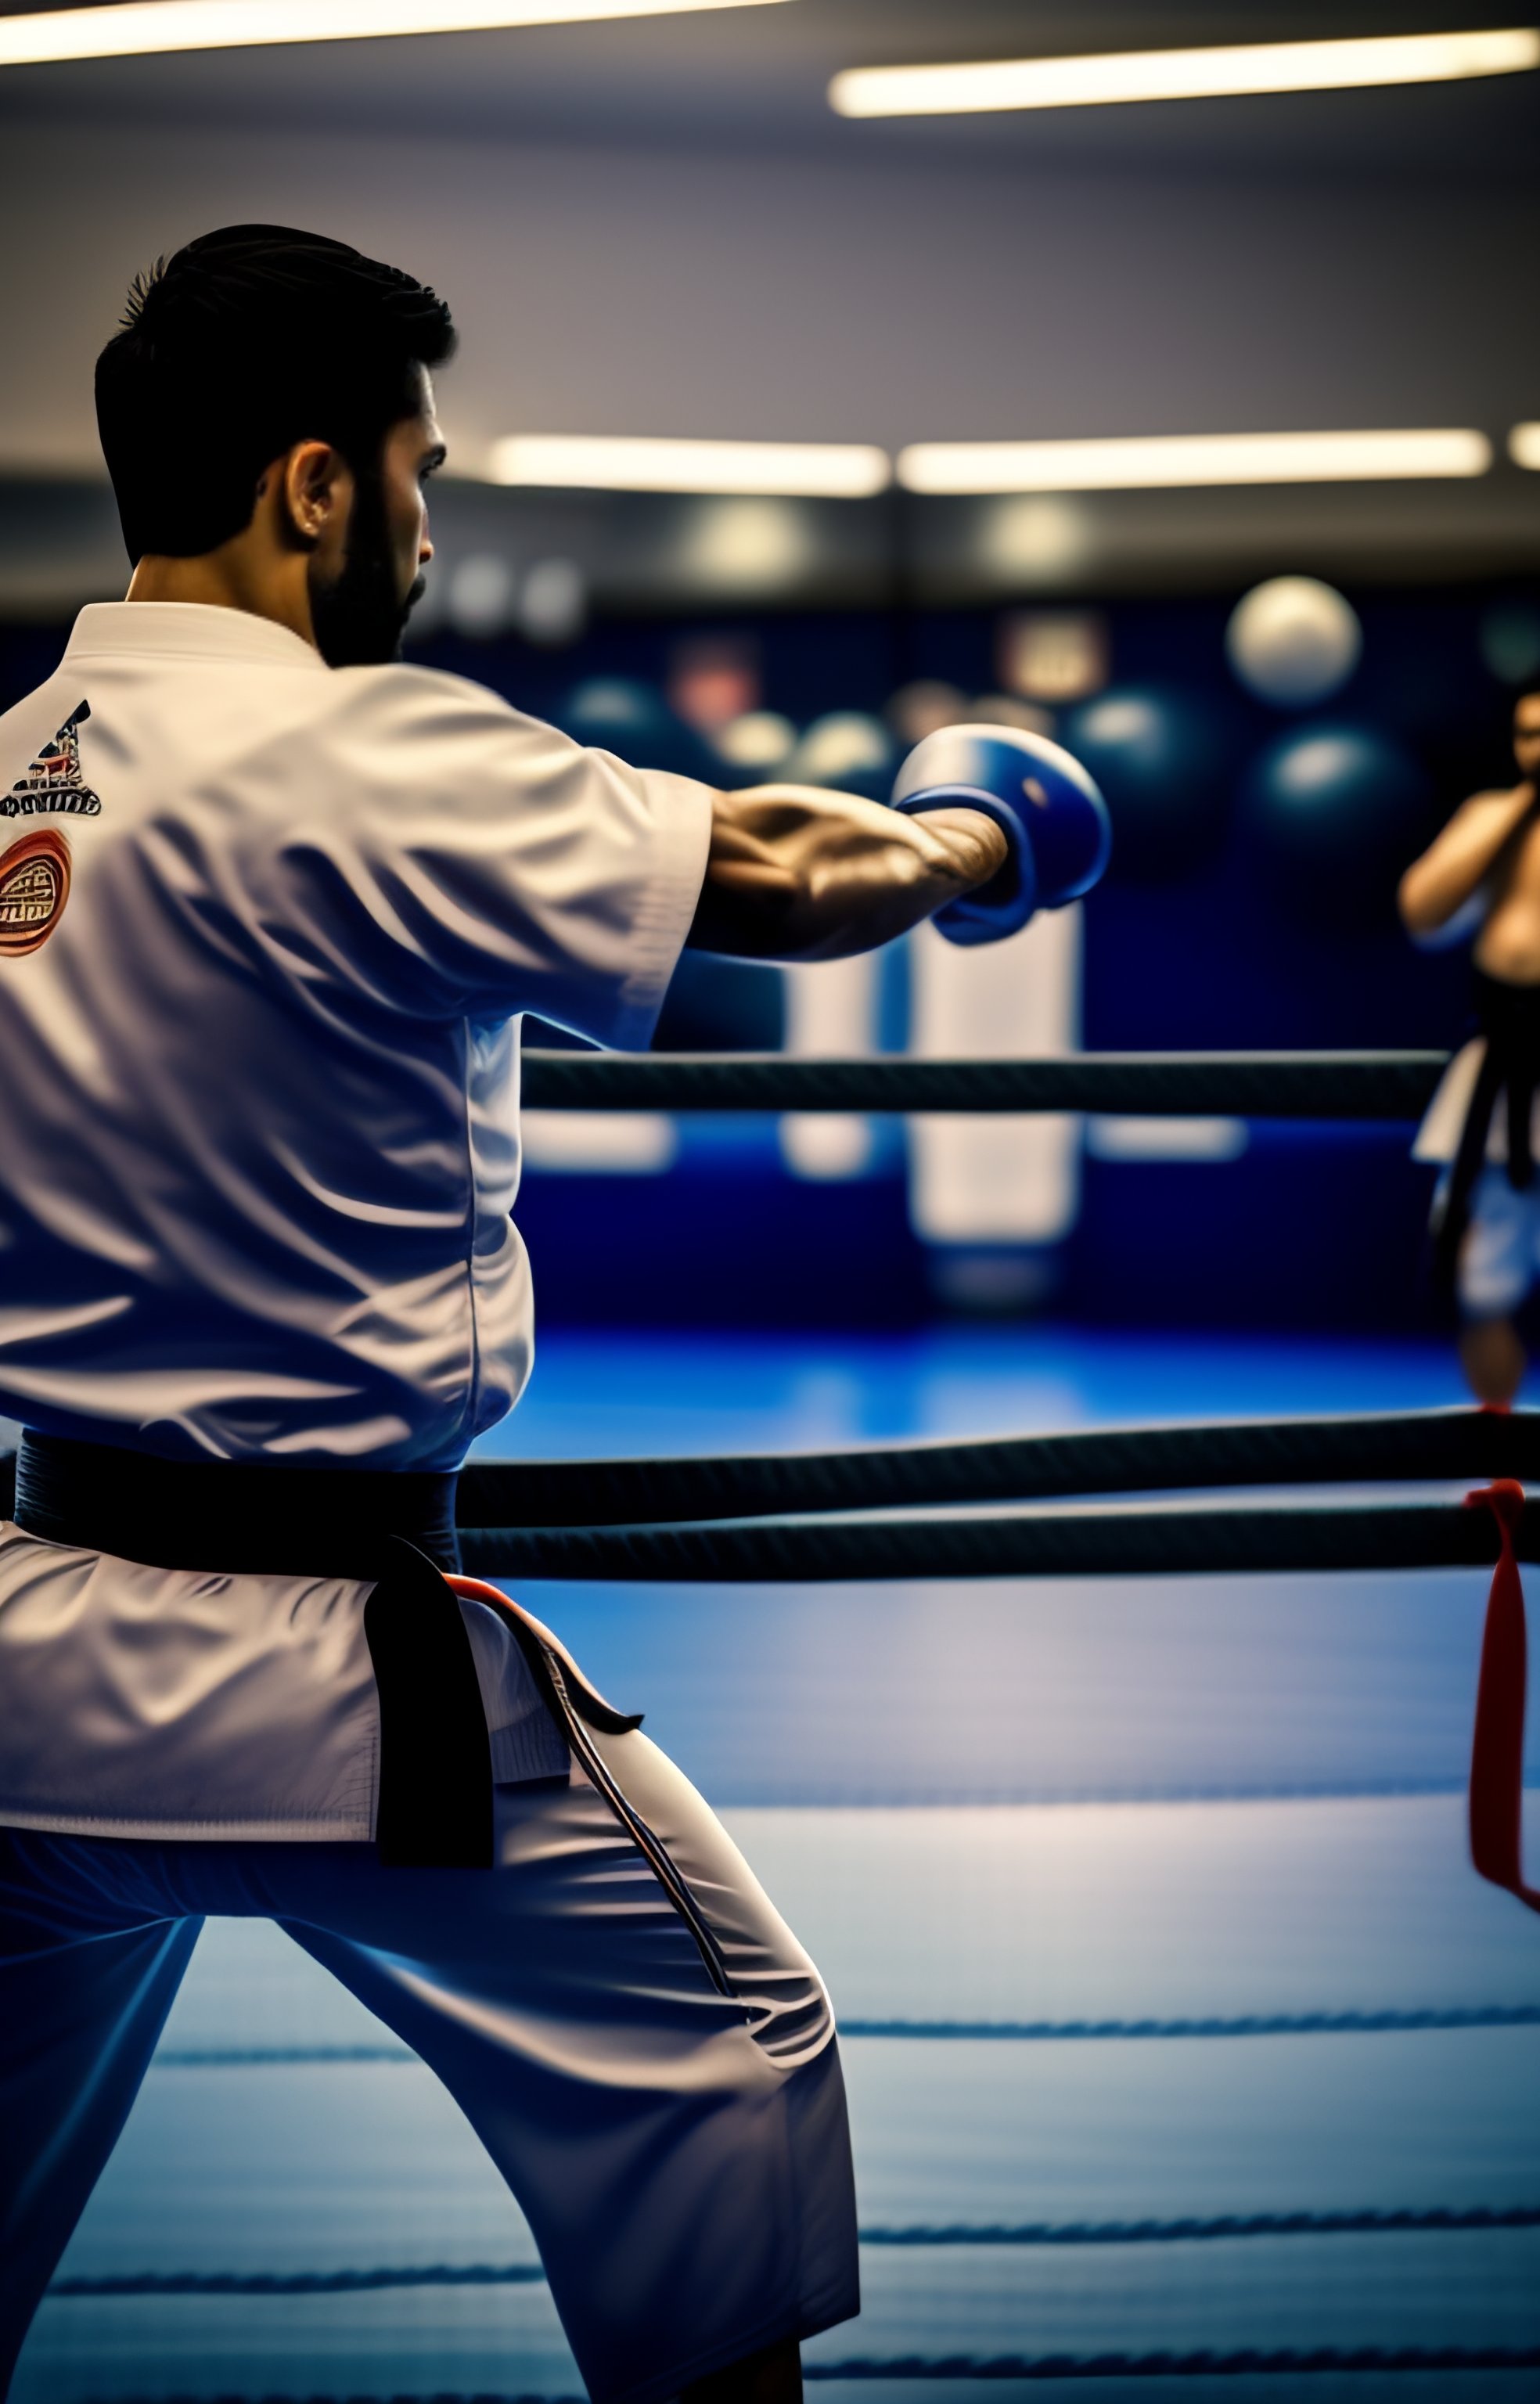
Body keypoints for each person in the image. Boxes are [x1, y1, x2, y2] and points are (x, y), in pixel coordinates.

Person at [0, 227, 1104, 2404]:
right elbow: (784, 875)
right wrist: (987, 836)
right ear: (318, 485)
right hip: (317, 1686)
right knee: (734, 2062)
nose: (426, 525)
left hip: (25, 1642)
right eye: (420, 473)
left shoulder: (19, 765)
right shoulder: (365, 753)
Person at [1398, 684, 1540, 1404]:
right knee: (1478, 1279)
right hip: (1501, 1057)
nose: (1539, 750)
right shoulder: (1493, 815)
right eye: (1527, 735)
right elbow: (1423, 911)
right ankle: (1501, 1452)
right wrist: (1516, 809)